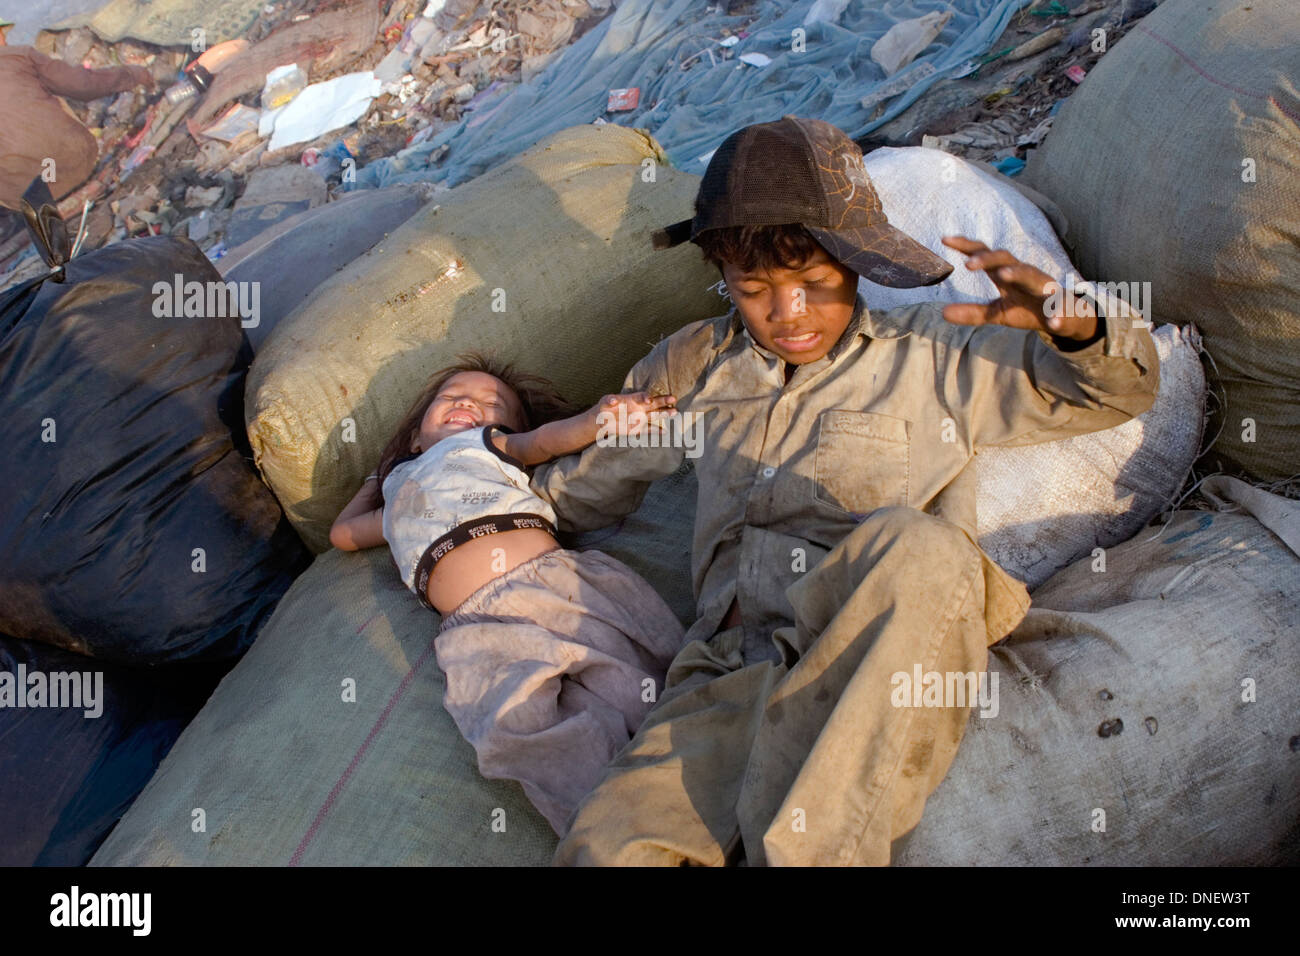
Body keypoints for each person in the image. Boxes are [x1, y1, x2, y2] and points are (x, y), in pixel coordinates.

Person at [528, 115, 1160, 865]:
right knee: (603, 852)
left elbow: (1111, 395)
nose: (787, 314)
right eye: (754, 288)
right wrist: (466, 480)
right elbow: (578, 494)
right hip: (723, 674)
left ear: (858, 268)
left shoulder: (934, 353)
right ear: (722, 276)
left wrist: (1073, 325)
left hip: (866, 650)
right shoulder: (691, 367)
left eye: (814, 284)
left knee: (919, 547)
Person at [328, 352, 686, 835]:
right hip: (477, 631)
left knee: (641, 689)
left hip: (554, 586)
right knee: (524, 730)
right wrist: (381, 473)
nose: (467, 404)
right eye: (450, 397)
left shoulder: (482, 448)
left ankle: (696, 779)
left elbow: (543, 440)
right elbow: (343, 533)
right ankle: (621, 834)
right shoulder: (396, 493)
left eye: (491, 403)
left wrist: (598, 419)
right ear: (415, 434)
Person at [0, 22, 154, 211]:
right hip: (76, 164)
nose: (6, 40)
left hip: (27, 198)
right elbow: (82, 86)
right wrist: (134, 75)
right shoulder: (19, 56)